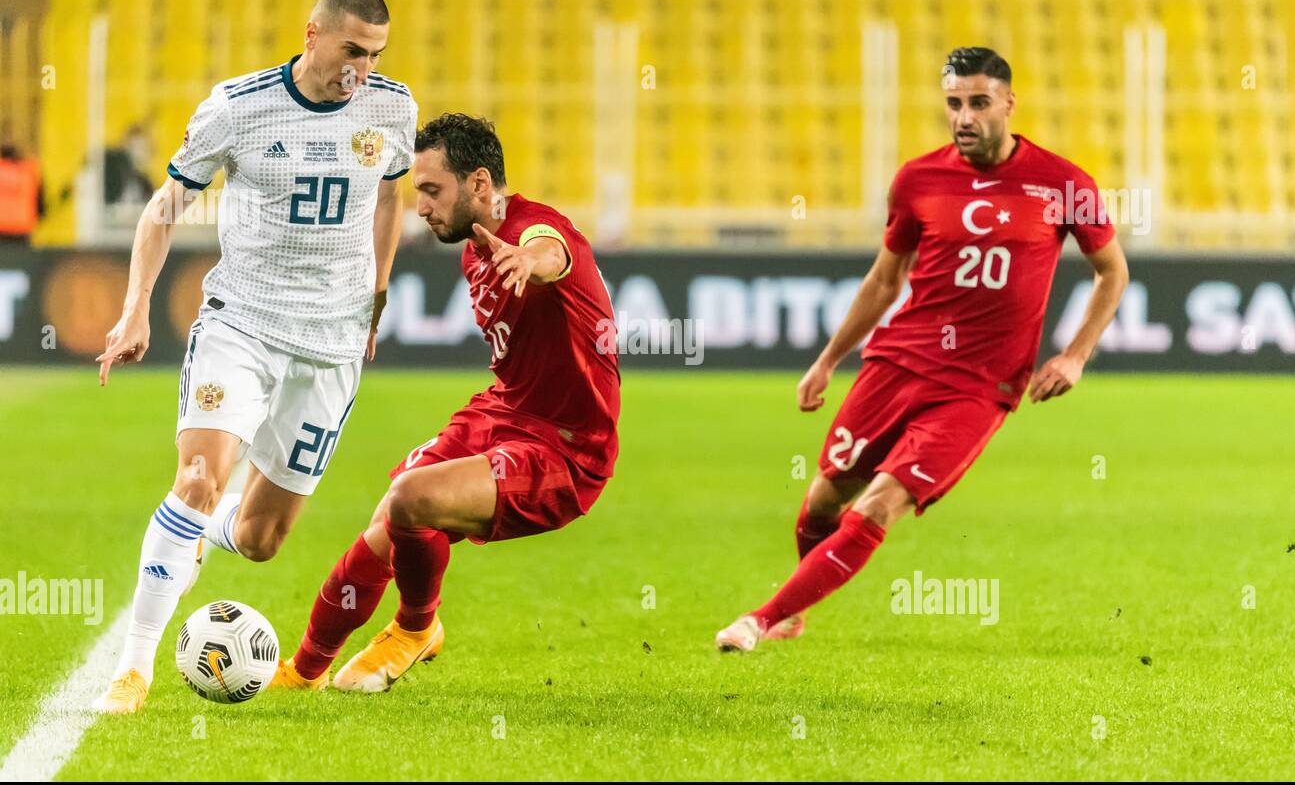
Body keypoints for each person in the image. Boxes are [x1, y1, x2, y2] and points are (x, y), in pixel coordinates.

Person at [716, 46, 1129, 651]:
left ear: (1009, 104)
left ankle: (762, 617)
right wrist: (828, 358)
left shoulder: (1064, 183)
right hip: (898, 362)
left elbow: (1111, 272)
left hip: (978, 386)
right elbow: (885, 279)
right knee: (824, 499)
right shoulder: (918, 180)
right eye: (954, 103)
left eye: (979, 103)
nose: (964, 116)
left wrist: (1074, 355)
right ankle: (796, 609)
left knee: (880, 505)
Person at [91, 0, 416, 712]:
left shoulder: (393, 108)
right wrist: (136, 305)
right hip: (243, 323)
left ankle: (200, 529)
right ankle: (132, 668)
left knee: (263, 537)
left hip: (329, 343)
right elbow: (164, 205)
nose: (360, 69)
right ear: (312, 32)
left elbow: (394, 194)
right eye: (351, 50)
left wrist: (377, 296)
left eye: (374, 54)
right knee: (201, 473)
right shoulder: (238, 107)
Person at [271, 113, 620, 693]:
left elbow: (551, 250)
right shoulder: (470, 253)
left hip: (567, 450)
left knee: (413, 499)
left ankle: (416, 627)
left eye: (432, 191)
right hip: (503, 413)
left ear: (480, 183)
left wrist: (528, 262)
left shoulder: (537, 229)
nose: (423, 208)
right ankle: (305, 670)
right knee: (391, 515)